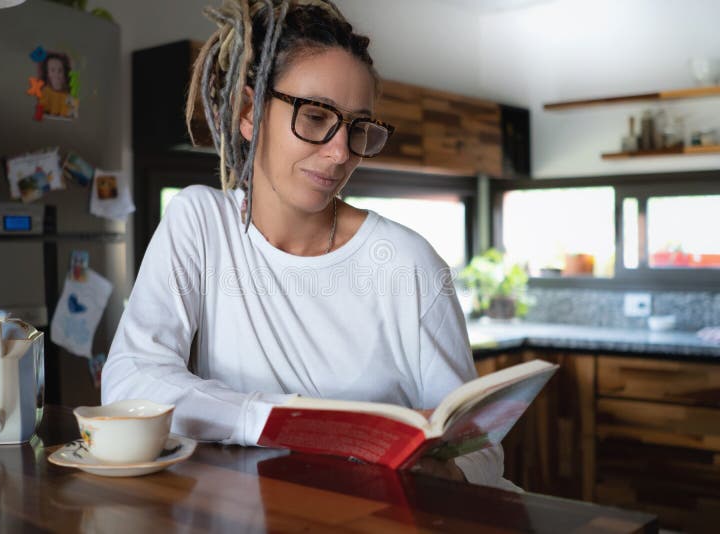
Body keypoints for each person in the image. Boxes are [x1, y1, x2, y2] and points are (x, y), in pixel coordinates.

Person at [103, 0, 512, 489]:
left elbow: (482, 449)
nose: (340, 153)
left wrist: (443, 468)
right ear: (250, 113)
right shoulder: (201, 224)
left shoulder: (409, 263)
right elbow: (131, 382)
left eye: (358, 128)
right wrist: (292, 422)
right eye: (316, 116)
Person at [39, 53, 76, 118]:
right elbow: (40, 115)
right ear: (48, 73)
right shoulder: (45, 91)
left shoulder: (70, 95)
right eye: (52, 70)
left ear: (65, 73)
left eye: (60, 70)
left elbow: (72, 117)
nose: (56, 75)